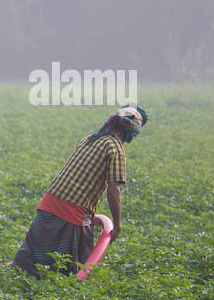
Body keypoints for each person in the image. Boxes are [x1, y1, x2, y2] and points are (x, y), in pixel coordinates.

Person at [12, 104, 148, 277]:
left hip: (49, 200)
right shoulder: (115, 148)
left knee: (28, 259)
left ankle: (18, 280)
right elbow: (113, 190)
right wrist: (117, 225)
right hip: (73, 209)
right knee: (75, 266)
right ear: (132, 131)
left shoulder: (90, 138)